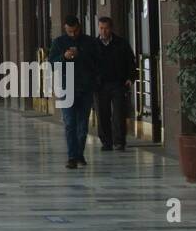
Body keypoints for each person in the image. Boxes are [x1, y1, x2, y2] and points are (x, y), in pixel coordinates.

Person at [47, 16, 99, 169]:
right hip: (66, 87)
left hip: (85, 87)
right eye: (69, 31)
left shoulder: (89, 42)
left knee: (82, 125)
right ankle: (72, 157)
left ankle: (79, 154)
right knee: (70, 123)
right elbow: (51, 63)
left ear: (80, 27)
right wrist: (64, 57)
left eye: (75, 30)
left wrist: (80, 54)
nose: (73, 34)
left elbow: (96, 62)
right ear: (65, 29)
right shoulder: (59, 42)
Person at [94, 16, 136, 152]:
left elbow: (130, 61)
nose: (103, 31)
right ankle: (106, 142)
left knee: (119, 113)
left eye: (106, 28)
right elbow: (89, 64)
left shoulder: (121, 43)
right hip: (101, 85)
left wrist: (130, 77)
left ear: (111, 29)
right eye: (101, 28)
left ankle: (119, 141)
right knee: (103, 114)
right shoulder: (94, 45)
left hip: (118, 83)